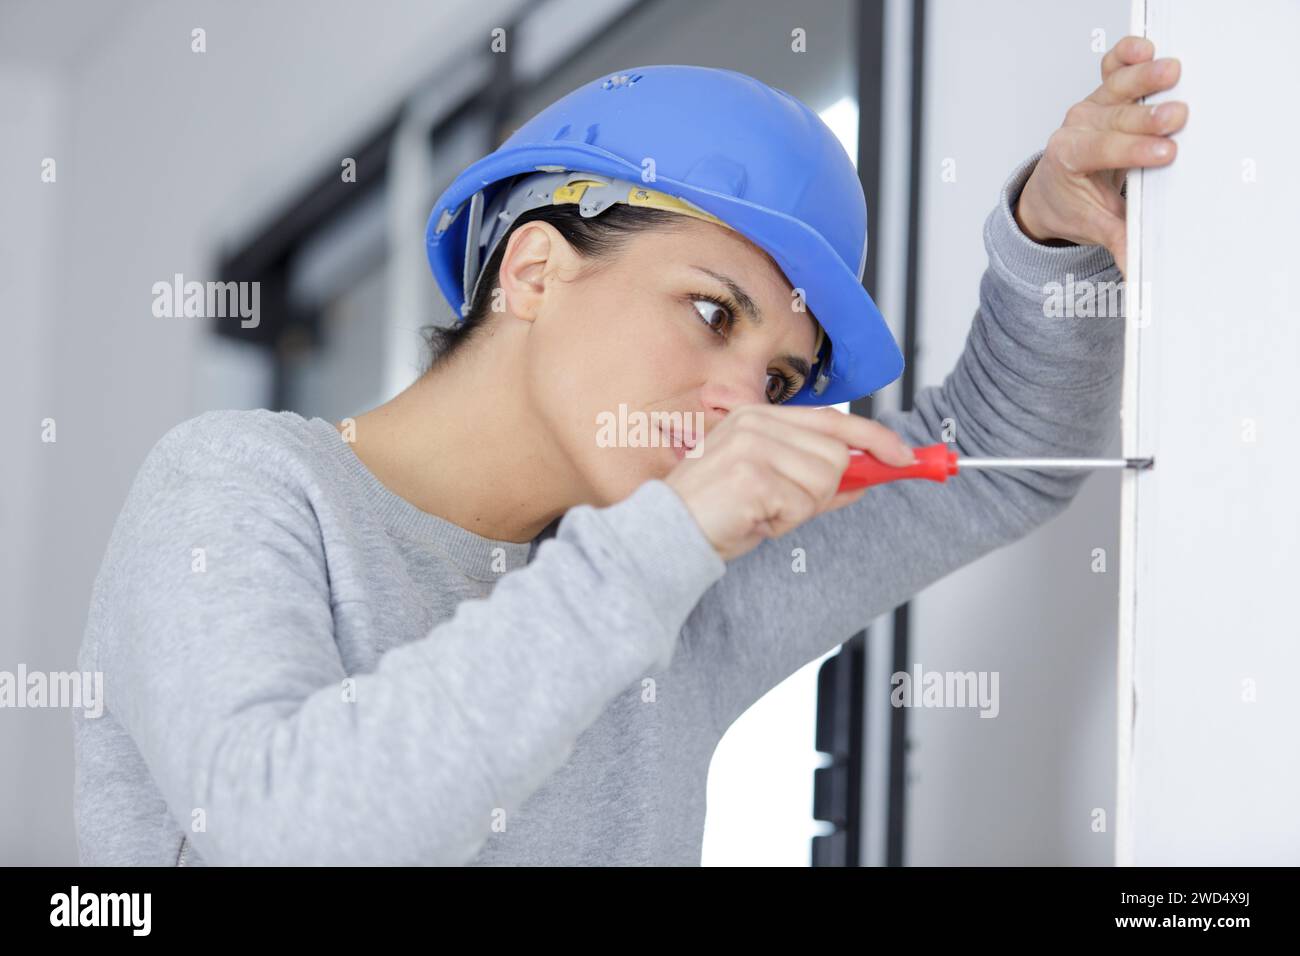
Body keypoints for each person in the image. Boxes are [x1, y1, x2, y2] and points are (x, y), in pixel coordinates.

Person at [73, 39, 1186, 865]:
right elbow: (286, 834)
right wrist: (665, 545)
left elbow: (999, 457)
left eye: (780, 380)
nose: (742, 403)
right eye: (712, 312)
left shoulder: (680, 585)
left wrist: (1054, 234)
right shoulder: (241, 486)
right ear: (534, 270)